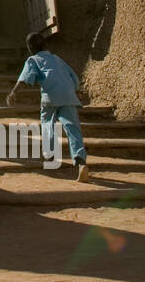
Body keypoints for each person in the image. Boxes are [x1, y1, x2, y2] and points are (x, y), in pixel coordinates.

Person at [7, 31, 91, 183]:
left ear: (30, 47)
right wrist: (76, 91)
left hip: (50, 97)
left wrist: (14, 92)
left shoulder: (33, 59)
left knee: (47, 122)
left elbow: (24, 77)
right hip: (68, 95)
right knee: (73, 128)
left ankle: (50, 154)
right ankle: (81, 162)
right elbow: (74, 77)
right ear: (44, 44)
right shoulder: (57, 58)